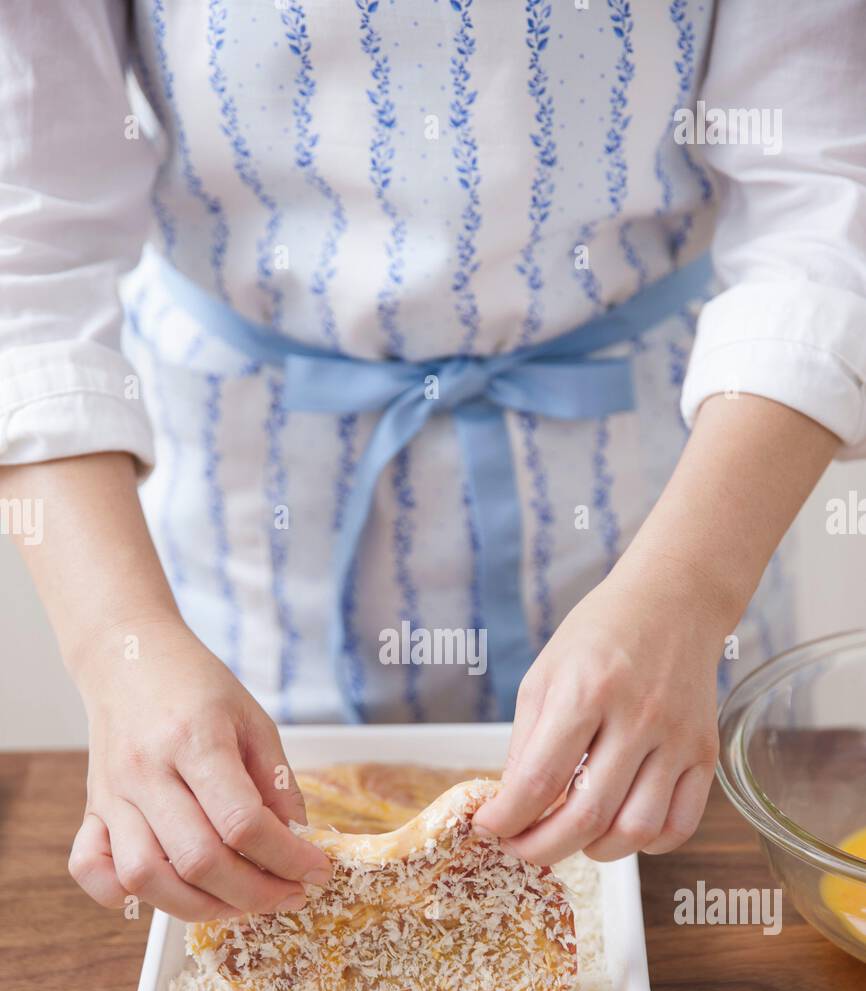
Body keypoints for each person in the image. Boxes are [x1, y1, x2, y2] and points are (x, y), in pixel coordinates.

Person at [1, 1, 862, 924]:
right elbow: (26, 249)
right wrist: (116, 643)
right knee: (249, 865)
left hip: (667, 506)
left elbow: (828, 195)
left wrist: (691, 591)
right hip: (248, 533)